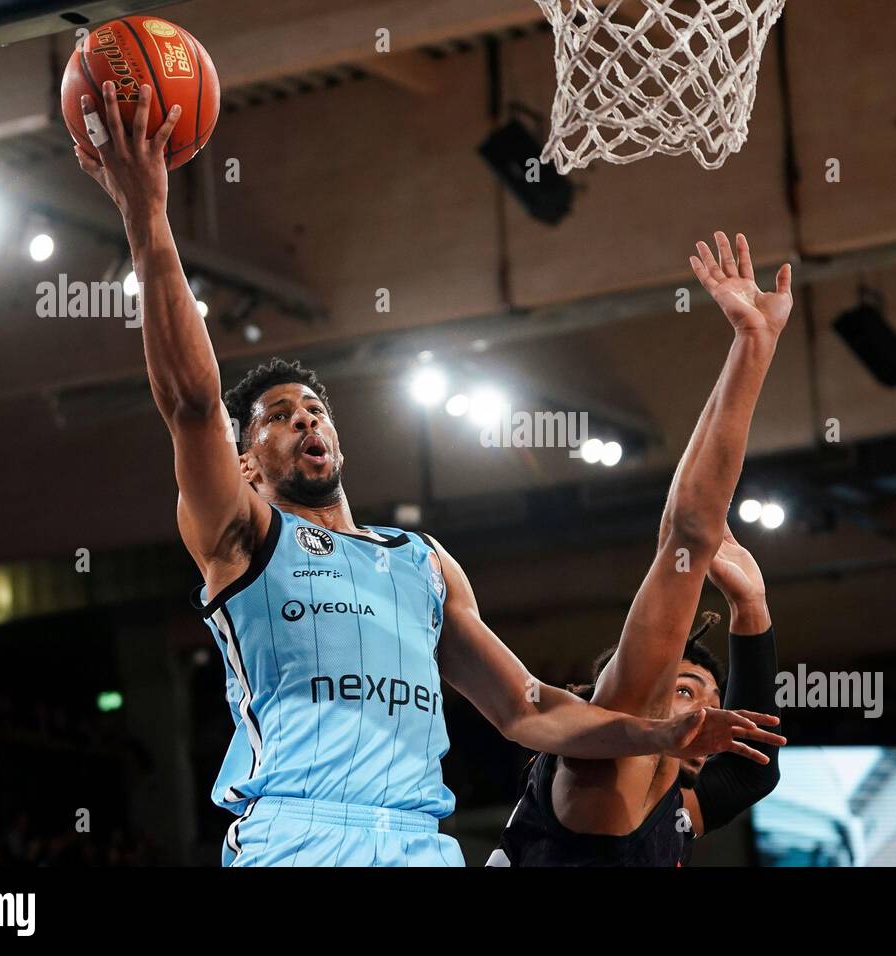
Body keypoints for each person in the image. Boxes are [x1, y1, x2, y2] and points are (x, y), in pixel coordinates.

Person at [73, 82, 770, 866]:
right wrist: (148, 215)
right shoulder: (242, 538)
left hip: (418, 843)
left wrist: (659, 734)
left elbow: (531, 709)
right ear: (244, 461)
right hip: (298, 832)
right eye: (278, 415)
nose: (306, 418)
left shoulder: (423, 563)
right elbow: (193, 401)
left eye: (315, 406)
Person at [490, 232, 791, 866]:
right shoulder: (607, 774)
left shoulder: (673, 802)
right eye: (686, 691)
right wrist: (752, 350)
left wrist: (753, 607)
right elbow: (685, 535)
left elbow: (756, 765)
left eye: (711, 699)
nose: (707, 714)